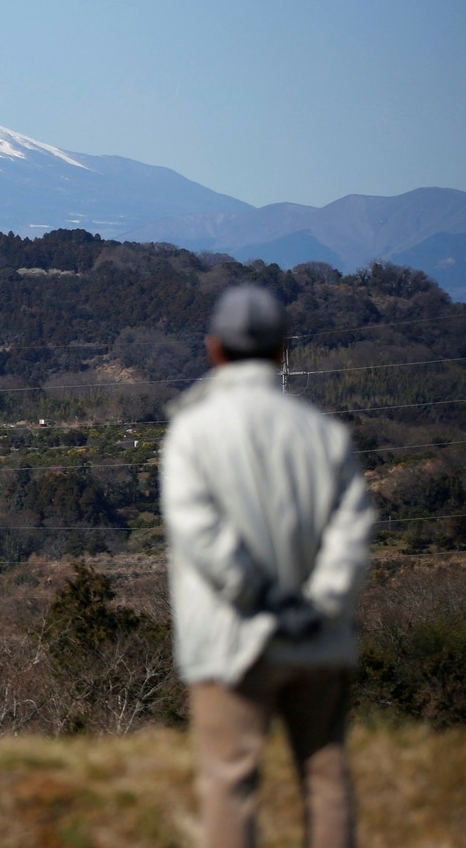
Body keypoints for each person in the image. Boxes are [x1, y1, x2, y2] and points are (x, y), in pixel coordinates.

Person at [160, 285, 374, 848]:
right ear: (282, 351)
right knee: (326, 777)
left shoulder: (190, 432)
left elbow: (198, 532)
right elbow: (351, 532)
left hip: (230, 639)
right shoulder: (326, 435)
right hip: (316, 638)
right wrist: (319, 603)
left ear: (214, 349)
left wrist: (260, 593)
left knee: (230, 784)